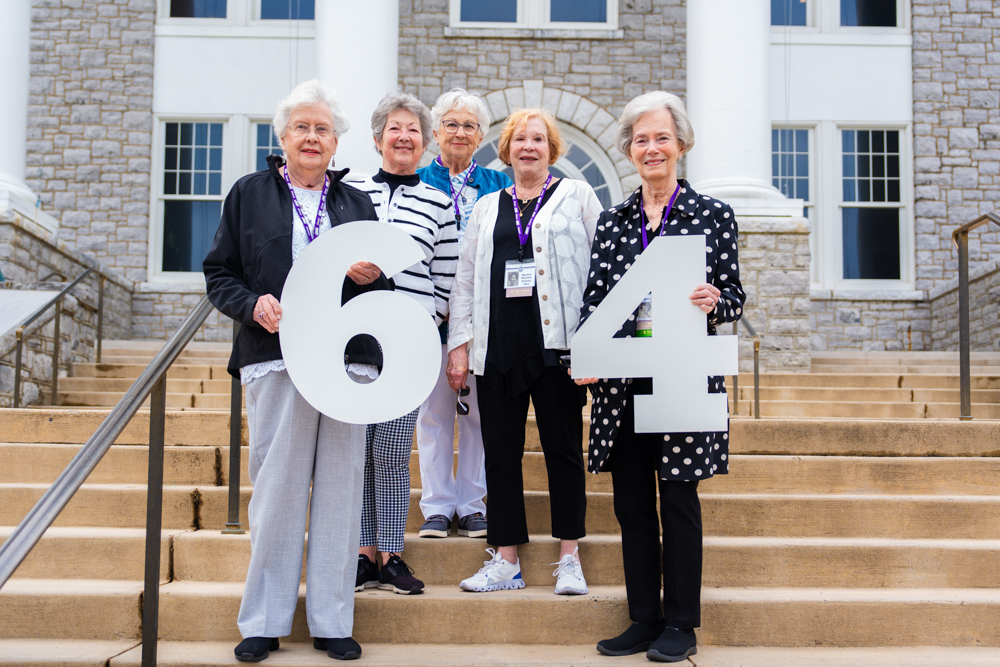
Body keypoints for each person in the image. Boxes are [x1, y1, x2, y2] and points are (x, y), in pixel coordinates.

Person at [204, 79, 387, 663]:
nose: (312, 137)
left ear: (336, 143)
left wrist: (372, 278)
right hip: (275, 355)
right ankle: (264, 618)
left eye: (323, 129)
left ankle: (332, 621)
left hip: (344, 364)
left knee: (340, 488)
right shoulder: (249, 194)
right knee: (278, 489)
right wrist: (252, 304)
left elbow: (380, 294)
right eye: (302, 128)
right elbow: (220, 273)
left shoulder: (357, 204)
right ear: (282, 137)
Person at [579, 91, 745, 663]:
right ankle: (643, 619)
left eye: (661, 138)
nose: (651, 148)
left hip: (681, 381)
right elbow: (597, 301)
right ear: (629, 150)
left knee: (678, 501)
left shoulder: (713, 214)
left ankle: (681, 623)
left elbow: (734, 298)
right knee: (631, 504)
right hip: (623, 386)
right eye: (641, 140)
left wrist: (715, 300)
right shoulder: (614, 219)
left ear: (681, 145)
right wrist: (586, 357)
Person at [446, 108, 602, 595]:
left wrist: (596, 343)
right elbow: (466, 278)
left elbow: (603, 266)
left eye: (538, 139)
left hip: (558, 348)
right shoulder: (489, 206)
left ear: (551, 149)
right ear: (507, 149)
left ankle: (570, 557)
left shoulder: (577, 196)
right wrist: (460, 344)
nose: (528, 147)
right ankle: (505, 559)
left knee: (563, 453)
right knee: (501, 456)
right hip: (498, 348)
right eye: (519, 139)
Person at [346, 91, 458, 595]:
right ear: (377, 139)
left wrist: (422, 326)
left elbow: (446, 278)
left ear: (426, 141)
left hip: (409, 345)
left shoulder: (439, 201)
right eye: (395, 128)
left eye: (414, 129)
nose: (404, 136)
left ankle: (391, 555)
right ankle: (362, 554)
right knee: (357, 449)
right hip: (353, 345)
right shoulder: (348, 194)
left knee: (391, 449)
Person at [414, 88, 512, 540]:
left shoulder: (499, 186)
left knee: (477, 417)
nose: (459, 132)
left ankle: (472, 504)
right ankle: (436, 505)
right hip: (428, 316)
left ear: (481, 136)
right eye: (450, 124)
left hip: (482, 320)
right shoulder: (416, 180)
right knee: (434, 415)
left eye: (469, 125)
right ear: (435, 132)